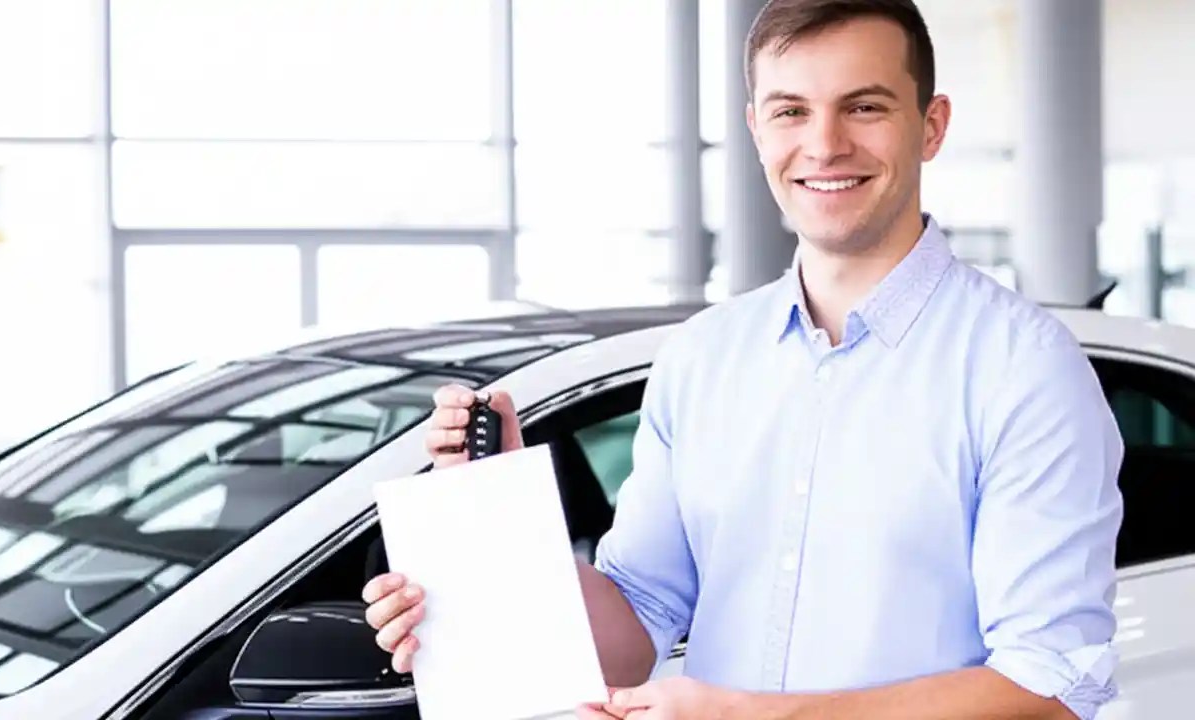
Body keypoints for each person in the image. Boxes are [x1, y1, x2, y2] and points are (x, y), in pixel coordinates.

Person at [361, 0, 1125, 718]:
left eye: (864, 106)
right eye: (792, 110)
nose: (825, 144)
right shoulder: (702, 357)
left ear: (931, 126)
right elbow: (634, 629)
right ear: (757, 128)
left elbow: (1050, 685)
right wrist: (504, 535)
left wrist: (759, 716)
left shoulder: (1023, 368)